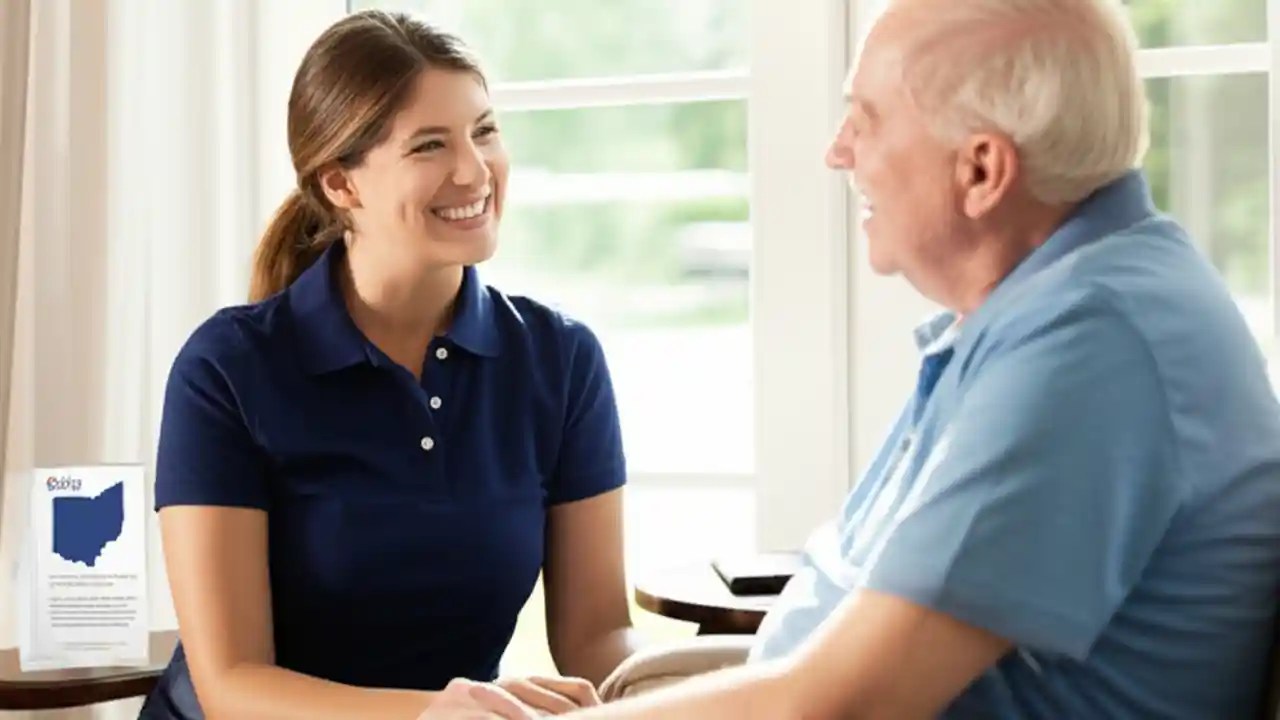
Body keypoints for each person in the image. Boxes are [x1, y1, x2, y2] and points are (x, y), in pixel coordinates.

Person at [483, 0, 1280, 718]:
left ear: (981, 169)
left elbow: (839, 704)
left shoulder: (1091, 346)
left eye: (865, 119)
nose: (838, 152)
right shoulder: (1048, 310)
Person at [139, 10, 640, 719]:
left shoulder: (561, 359)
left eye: (485, 131)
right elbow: (232, 685)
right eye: (430, 146)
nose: (475, 170)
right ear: (341, 184)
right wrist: (434, 714)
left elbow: (597, 637)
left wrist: (703, 695)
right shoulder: (227, 369)